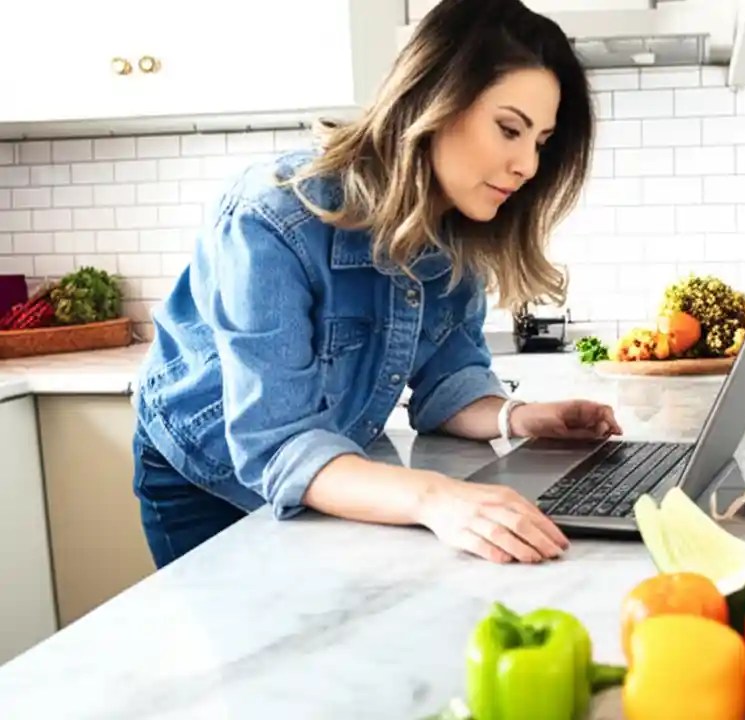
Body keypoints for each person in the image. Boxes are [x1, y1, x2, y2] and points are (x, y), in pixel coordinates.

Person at [130, 0, 621, 570]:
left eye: (540, 141)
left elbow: (448, 383)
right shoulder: (271, 218)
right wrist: (437, 498)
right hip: (202, 477)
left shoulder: (455, 222)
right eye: (509, 129)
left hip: (330, 456)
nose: (528, 166)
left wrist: (519, 418)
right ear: (433, 98)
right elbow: (279, 445)